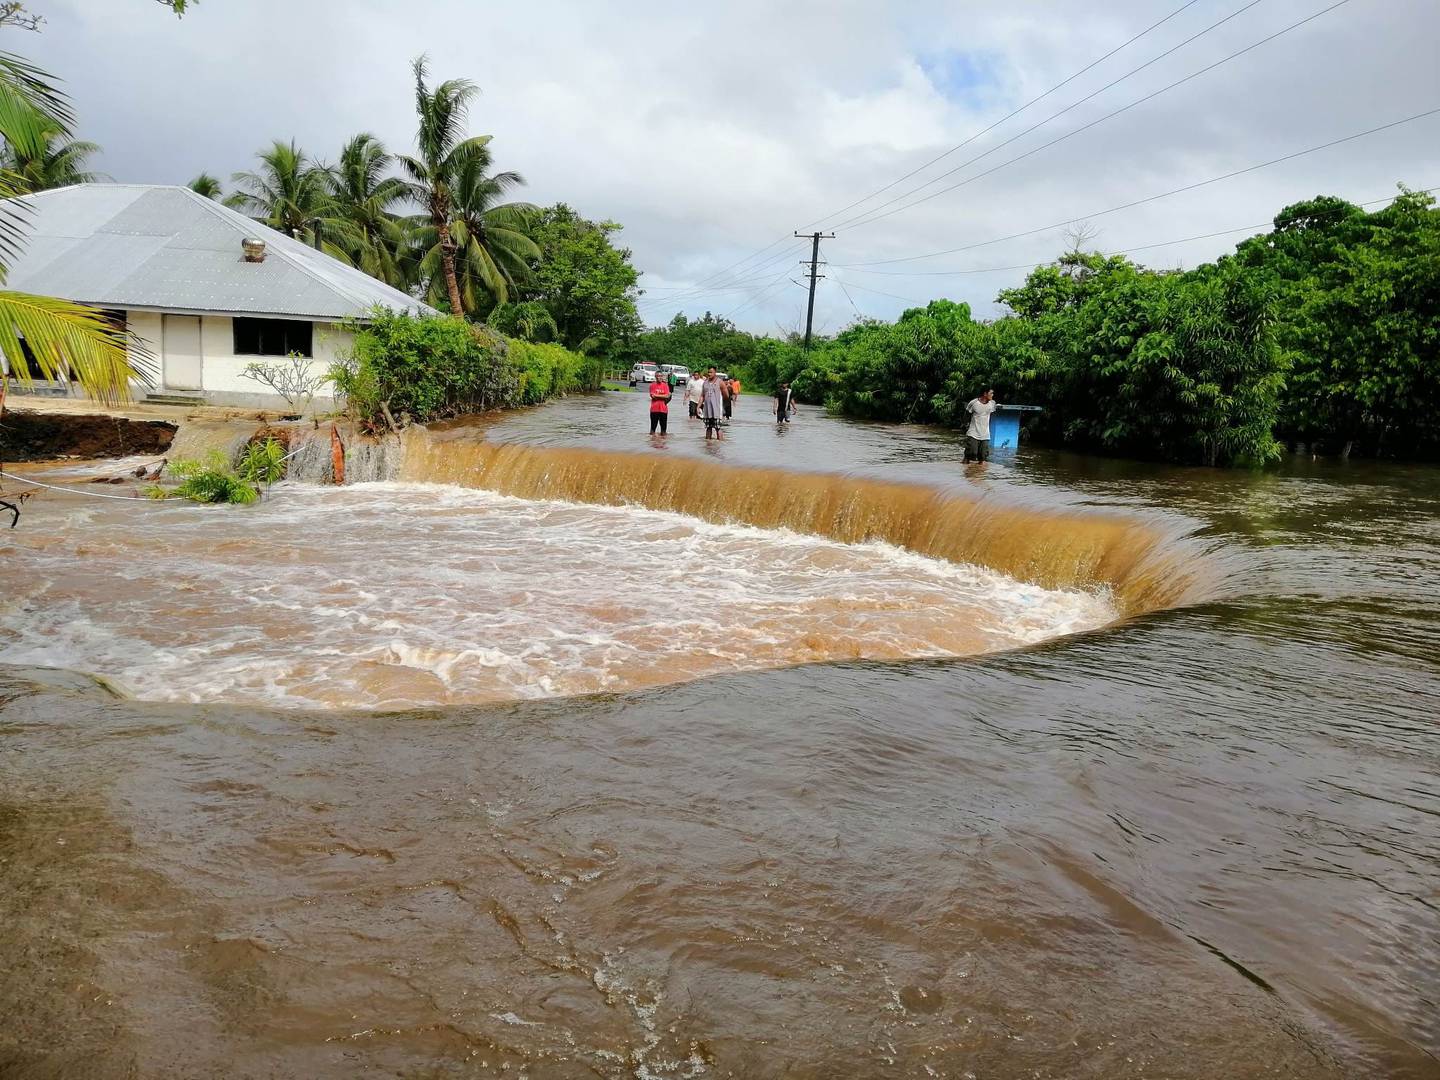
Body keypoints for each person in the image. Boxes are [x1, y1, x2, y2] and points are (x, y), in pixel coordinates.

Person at [963, 388, 998, 462]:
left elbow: (992, 414)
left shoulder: (992, 403)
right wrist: (966, 425)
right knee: (971, 454)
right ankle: (966, 469)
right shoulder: (973, 403)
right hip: (973, 433)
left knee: (983, 456)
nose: (992, 395)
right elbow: (966, 415)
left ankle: (980, 472)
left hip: (985, 434)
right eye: (991, 393)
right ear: (985, 394)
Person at [701, 367, 725, 440]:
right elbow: (702, 395)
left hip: (717, 410)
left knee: (718, 428)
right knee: (708, 428)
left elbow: (726, 395)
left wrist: (723, 404)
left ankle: (719, 443)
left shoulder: (720, 382)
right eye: (708, 372)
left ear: (715, 373)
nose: (709, 374)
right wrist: (698, 406)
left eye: (711, 372)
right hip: (707, 410)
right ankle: (708, 444)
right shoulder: (705, 383)